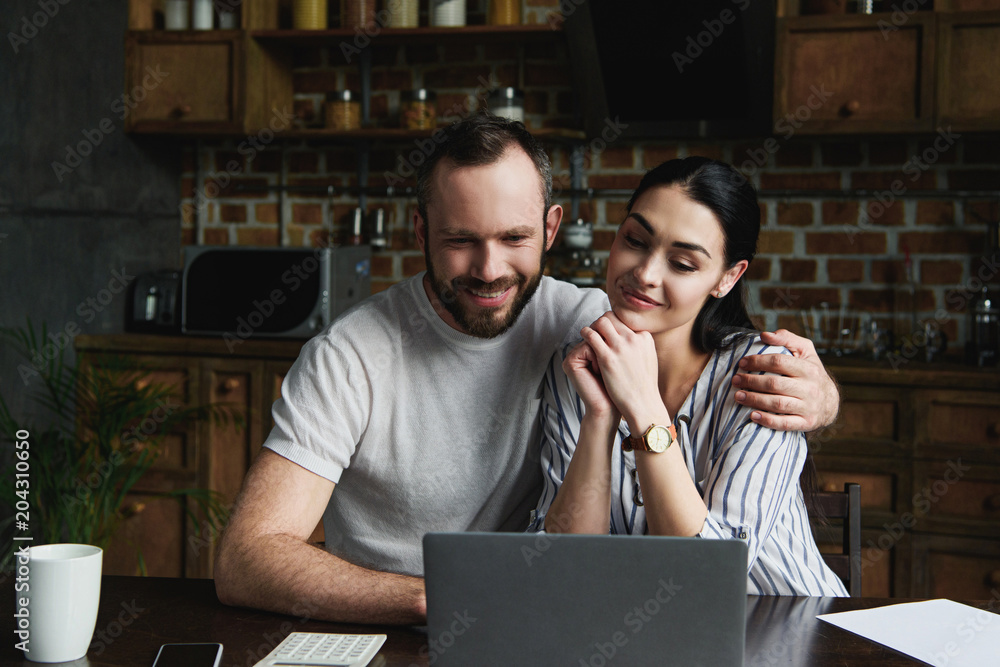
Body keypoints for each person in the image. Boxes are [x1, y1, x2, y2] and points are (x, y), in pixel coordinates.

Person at [214, 115, 843, 625]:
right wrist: (431, 598)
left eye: (514, 238)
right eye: (461, 239)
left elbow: (712, 578)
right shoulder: (353, 357)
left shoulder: (587, 322)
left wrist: (824, 397)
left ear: (551, 229)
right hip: (430, 626)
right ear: (420, 231)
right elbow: (246, 558)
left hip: (773, 629)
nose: (488, 270)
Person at [534, 156, 847, 596]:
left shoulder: (761, 375)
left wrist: (643, 407)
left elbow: (706, 578)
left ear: (727, 277)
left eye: (682, 264)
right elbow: (567, 566)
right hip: (661, 639)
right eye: (636, 240)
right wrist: (600, 417)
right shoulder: (578, 366)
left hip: (795, 634)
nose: (644, 274)